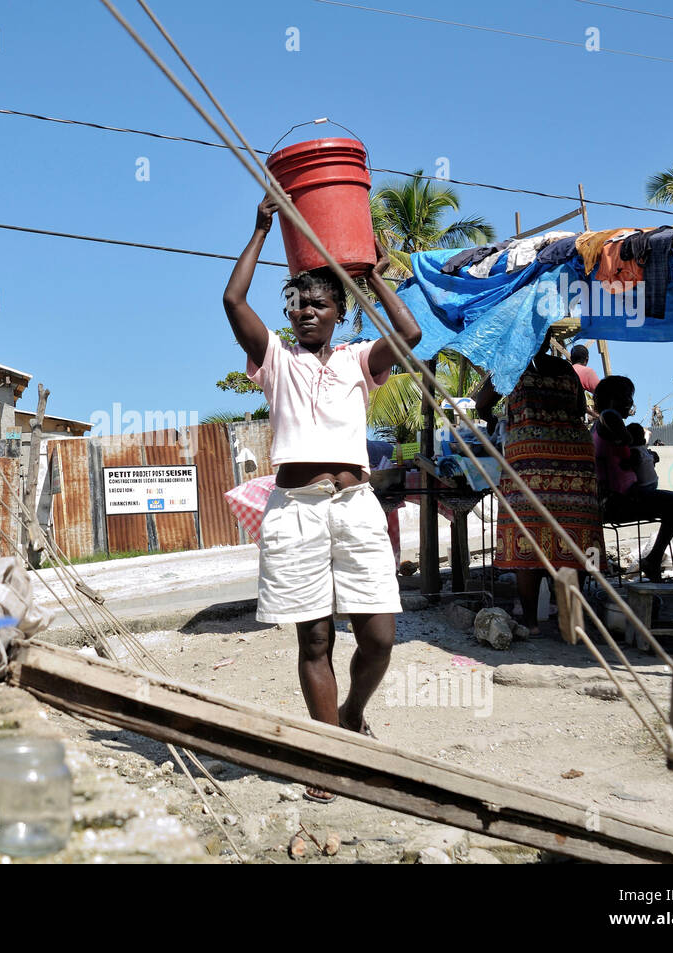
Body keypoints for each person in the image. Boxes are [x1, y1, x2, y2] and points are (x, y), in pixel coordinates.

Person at [223, 192, 422, 803]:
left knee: (380, 637)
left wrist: (376, 276)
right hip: (295, 510)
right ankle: (328, 754)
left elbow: (410, 333)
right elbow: (233, 300)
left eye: (319, 302)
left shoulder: (361, 359)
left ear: (340, 311)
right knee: (314, 640)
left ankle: (354, 713)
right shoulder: (274, 360)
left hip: (356, 508)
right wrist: (259, 231)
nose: (306, 310)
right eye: (298, 302)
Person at [475, 329, 604, 635]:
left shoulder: (511, 364)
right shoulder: (565, 370)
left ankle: (531, 623)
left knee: (527, 539)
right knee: (572, 540)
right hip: (575, 460)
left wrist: (498, 421)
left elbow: (482, 404)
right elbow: (576, 410)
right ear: (548, 341)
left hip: (530, 459)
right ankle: (569, 622)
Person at [594, 376, 673, 582]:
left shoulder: (600, 427)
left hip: (620, 499)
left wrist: (642, 456)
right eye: (628, 398)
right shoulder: (608, 417)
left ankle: (654, 558)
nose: (631, 404)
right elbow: (624, 437)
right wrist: (637, 446)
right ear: (615, 399)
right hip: (621, 501)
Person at [626, 423, 659, 492]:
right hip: (654, 482)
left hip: (644, 486)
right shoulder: (643, 448)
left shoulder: (634, 451)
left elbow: (629, 466)